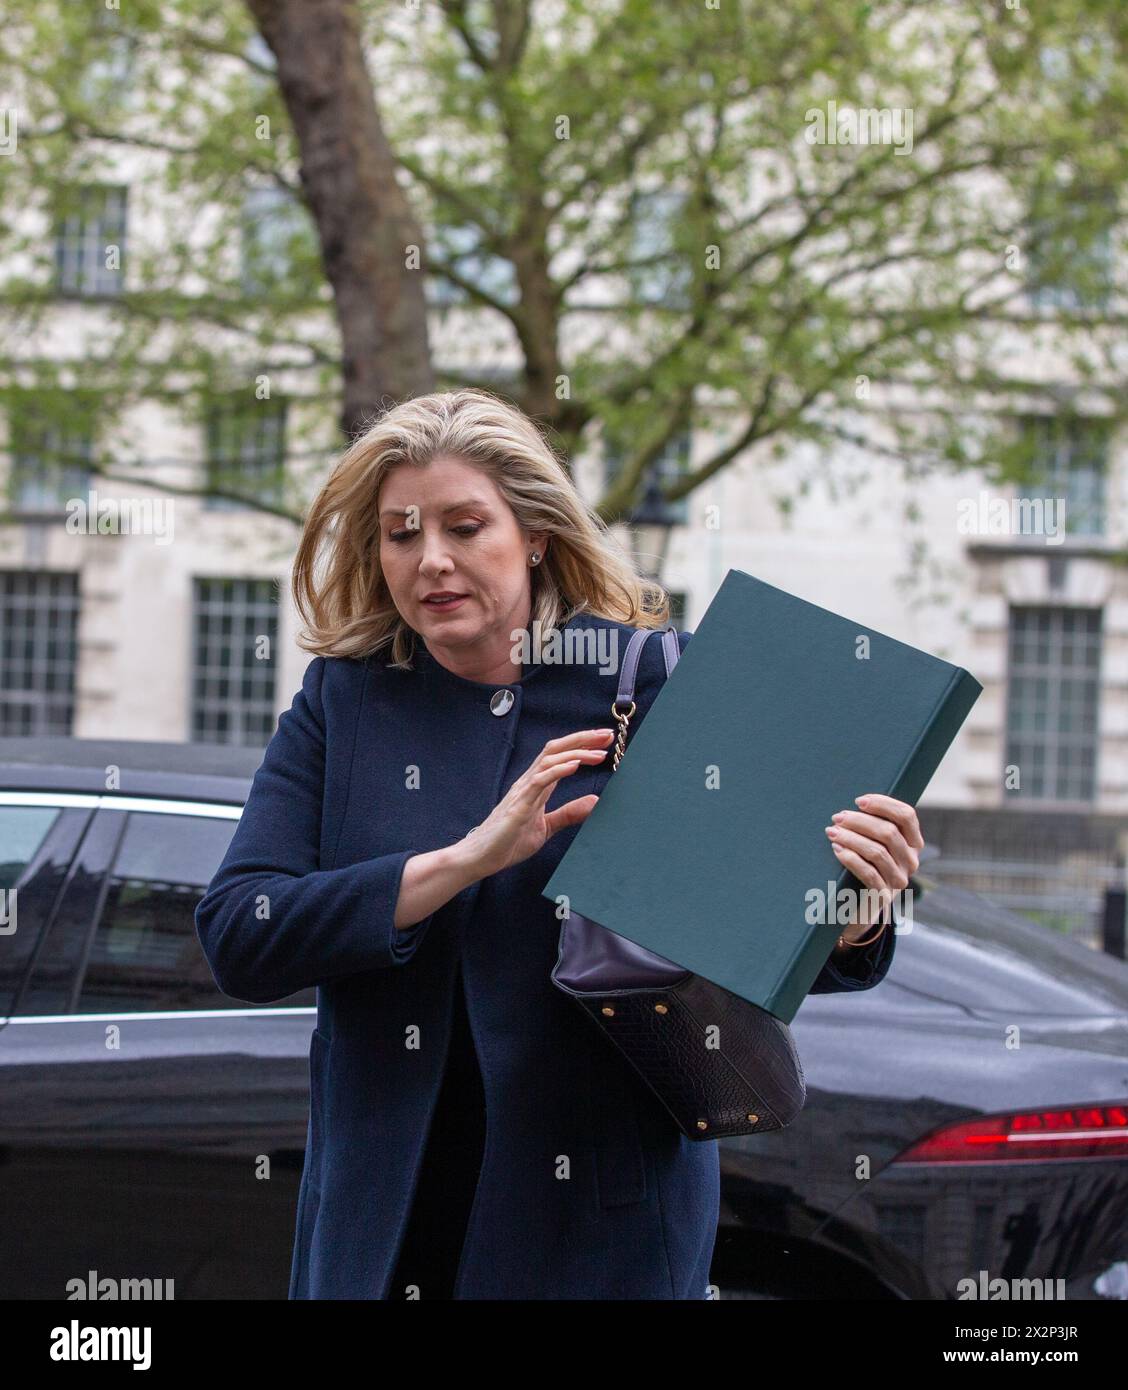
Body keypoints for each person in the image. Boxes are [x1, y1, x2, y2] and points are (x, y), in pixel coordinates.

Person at [194, 388, 921, 1300]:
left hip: (597, 1228)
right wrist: (462, 861)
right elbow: (240, 931)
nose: (432, 561)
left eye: (466, 526)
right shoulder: (344, 701)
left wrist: (855, 911)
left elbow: (767, 940)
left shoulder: (661, 685)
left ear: (534, 534)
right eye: (401, 533)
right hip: (381, 1222)